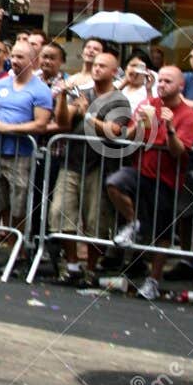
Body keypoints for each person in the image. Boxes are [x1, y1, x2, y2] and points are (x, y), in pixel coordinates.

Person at [105, 64, 193, 298]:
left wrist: (169, 129)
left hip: (166, 179)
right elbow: (131, 137)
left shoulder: (187, 115)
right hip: (142, 171)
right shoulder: (150, 105)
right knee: (114, 183)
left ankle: (153, 281)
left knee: (162, 234)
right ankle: (135, 223)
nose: (162, 85)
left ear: (181, 86)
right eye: (160, 81)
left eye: (168, 81)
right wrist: (137, 124)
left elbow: (179, 152)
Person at [49, 51, 126, 282]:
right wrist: (62, 97)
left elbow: (114, 131)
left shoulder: (118, 99)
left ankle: (91, 268)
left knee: (96, 222)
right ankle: (72, 265)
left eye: (103, 65)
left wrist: (89, 115)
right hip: (72, 162)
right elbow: (63, 122)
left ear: (114, 72)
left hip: (100, 165)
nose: (96, 68)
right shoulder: (81, 93)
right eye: (95, 65)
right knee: (61, 213)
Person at [0, 40, 53, 256]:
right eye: (14, 56)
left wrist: (7, 128)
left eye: (21, 57)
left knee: (19, 205)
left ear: (33, 61)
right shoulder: (1, 85)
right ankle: (13, 246)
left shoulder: (40, 90)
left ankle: (20, 249)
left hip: (22, 155)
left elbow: (41, 124)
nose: (15, 60)